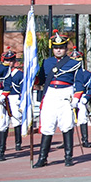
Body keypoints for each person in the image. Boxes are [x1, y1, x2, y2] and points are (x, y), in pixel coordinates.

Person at [34, 31, 84, 167]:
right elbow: (41, 80)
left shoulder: (74, 63)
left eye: (61, 47)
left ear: (66, 48)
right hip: (50, 94)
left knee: (67, 125)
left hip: (65, 94)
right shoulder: (47, 62)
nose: (58, 50)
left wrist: (76, 98)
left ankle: (68, 157)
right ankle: (42, 158)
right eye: (56, 48)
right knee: (47, 126)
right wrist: (31, 78)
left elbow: (79, 83)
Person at [71, 48, 91, 150]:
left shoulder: (87, 74)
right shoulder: (67, 72)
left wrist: (86, 98)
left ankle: (85, 140)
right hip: (69, 98)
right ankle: (67, 142)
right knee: (67, 120)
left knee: (82, 118)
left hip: (81, 98)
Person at [4, 51, 24, 155]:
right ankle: (2, 145)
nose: (9, 62)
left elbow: (23, 88)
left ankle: (18, 143)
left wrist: (21, 99)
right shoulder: (2, 72)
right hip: (4, 97)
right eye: (6, 60)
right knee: (4, 121)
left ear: (14, 61)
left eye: (11, 60)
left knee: (16, 120)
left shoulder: (19, 74)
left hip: (14, 97)